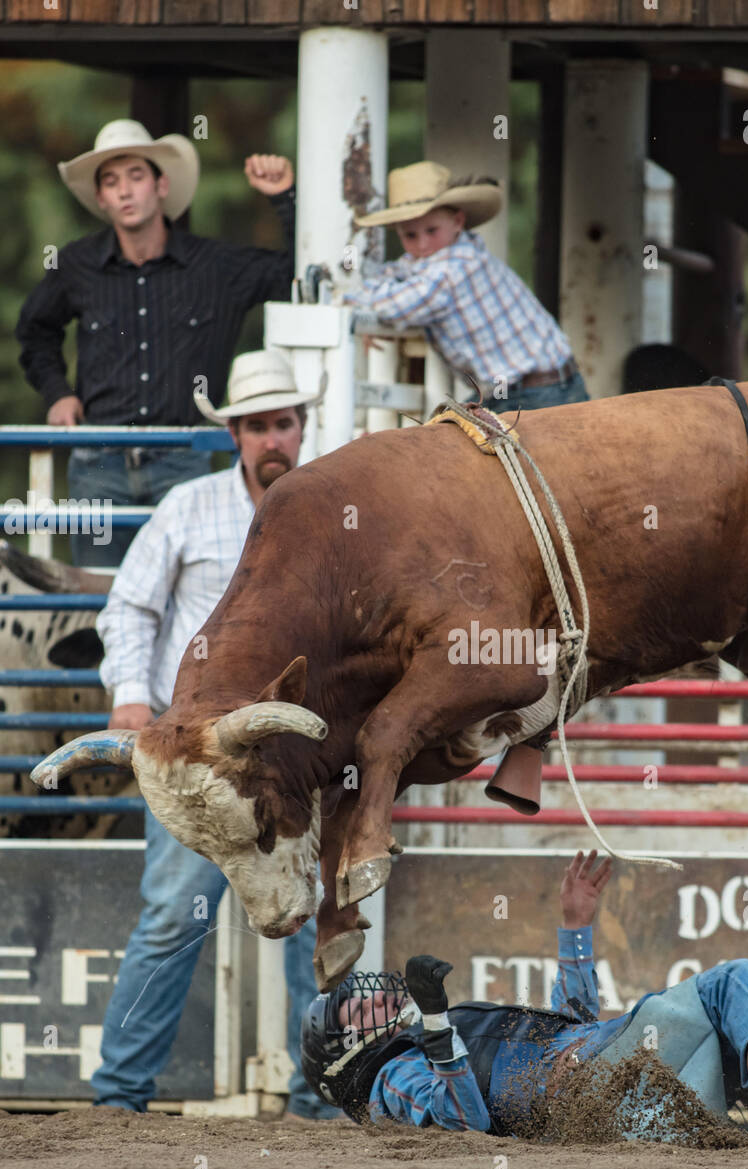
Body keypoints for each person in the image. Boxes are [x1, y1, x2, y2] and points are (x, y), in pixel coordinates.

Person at [302, 851, 748, 1144]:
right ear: (349, 1052)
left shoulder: (430, 1039)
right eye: (352, 1012)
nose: (369, 1002)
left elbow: (573, 1024)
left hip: (625, 1080)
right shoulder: (394, 1077)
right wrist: (432, 1028)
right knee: (735, 980)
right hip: (619, 1099)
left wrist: (575, 929)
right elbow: (467, 1124)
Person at [91, 349, 328, 1118]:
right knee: (171, 916)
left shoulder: (333, 510)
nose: (272, 441)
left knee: (312, 920)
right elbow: (129, 606)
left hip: (295, 761)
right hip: (198, 763)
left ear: (302, 426)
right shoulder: (188, 508)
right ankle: (120, 1095)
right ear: (234, 432)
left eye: (283, 424)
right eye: (257, 426)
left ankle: (320, 1095)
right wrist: (131, 696)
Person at [15, 119, 296, 567]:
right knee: (97, 598)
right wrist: (58, 393)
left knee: (193, 599)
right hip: (99, 463)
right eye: (110, 181)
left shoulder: (214, 266)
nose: (124, 191)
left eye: (136, 176)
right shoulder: (76, 264)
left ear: (161, 185)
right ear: (102, 198)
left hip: (183, 460)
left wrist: (284, 197)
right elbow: (33, 330)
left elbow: (298, 272)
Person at [344, 161, 589, 414]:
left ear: (458, 222)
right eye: (410, 235)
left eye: (432, 230)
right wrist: (368, 304)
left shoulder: (457, 266)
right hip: (521, 389)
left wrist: (356, 307)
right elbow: (388, 278)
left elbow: (395, 305)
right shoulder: (430, 262)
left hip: (542, 392)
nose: (423, 244)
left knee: (449, 440)